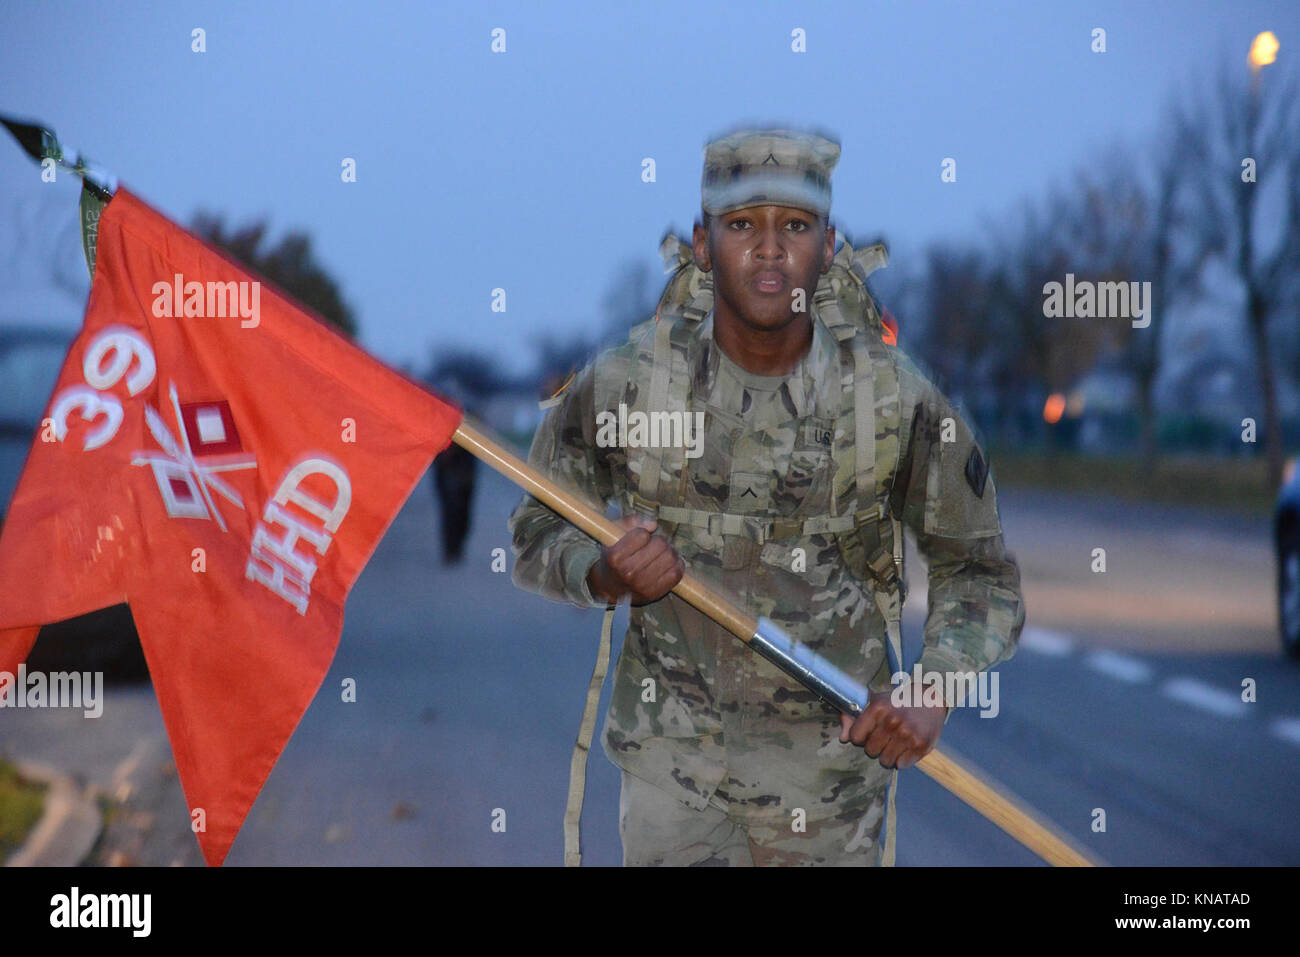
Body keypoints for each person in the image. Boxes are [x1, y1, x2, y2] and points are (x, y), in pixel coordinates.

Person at [508, 128, 1025, 866]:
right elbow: (535, 529)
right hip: (671, 786)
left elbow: (980, 571)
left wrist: (934, 685)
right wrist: (603, 571)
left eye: (796, 225)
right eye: (743, 224)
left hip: (829, 791)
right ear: (702, 243)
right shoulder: (628, 383)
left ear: (828, 245)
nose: (771, 249)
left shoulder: (891, 400)